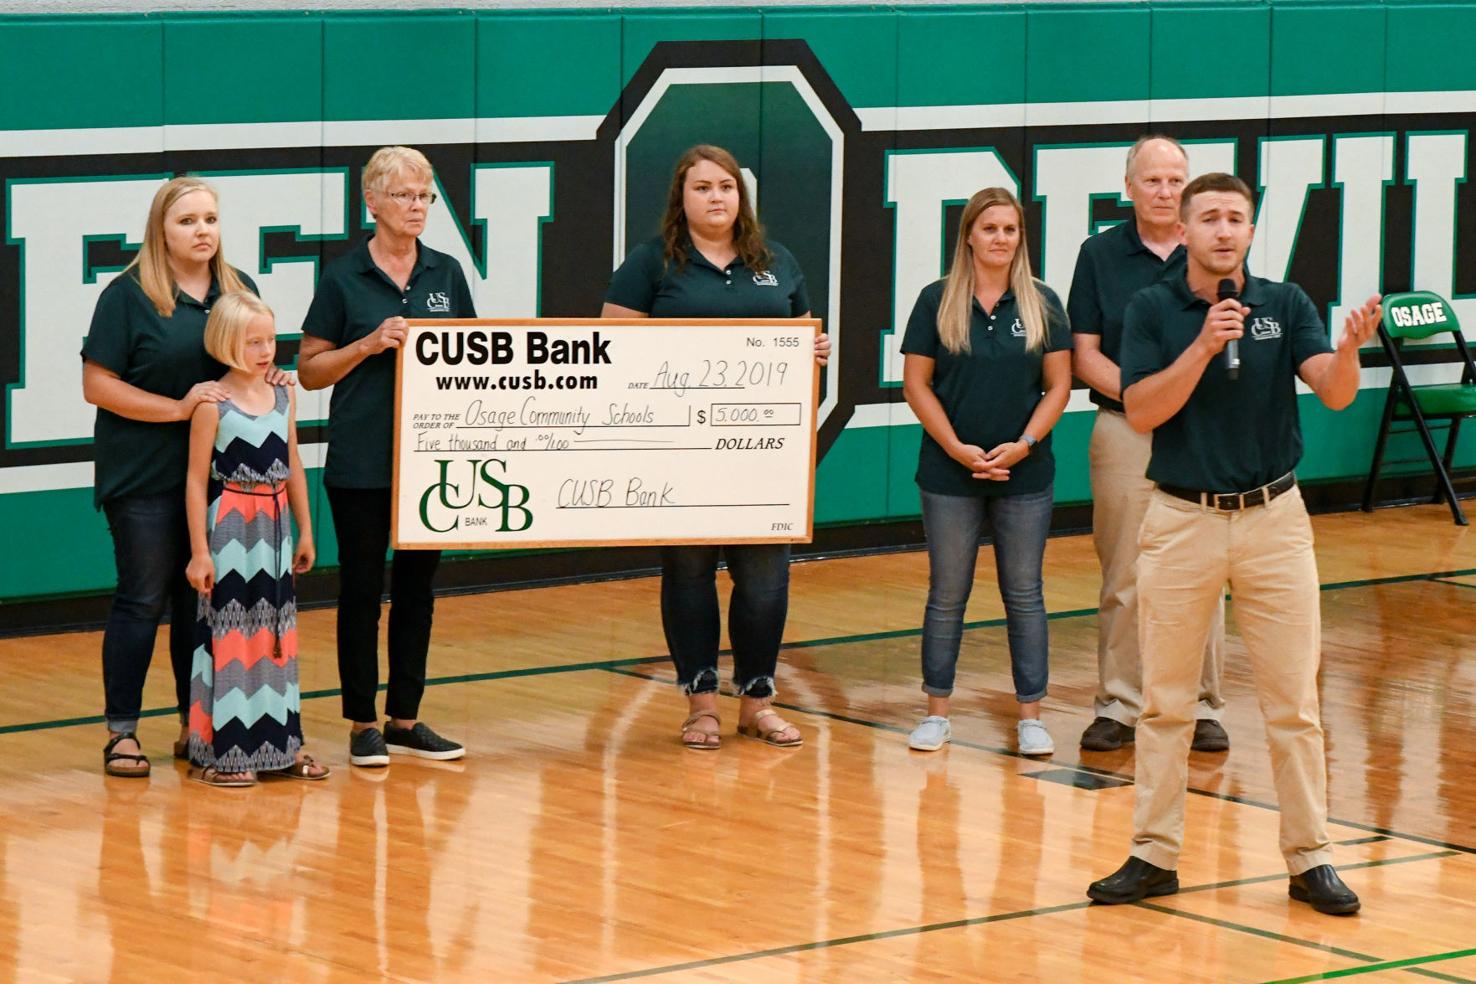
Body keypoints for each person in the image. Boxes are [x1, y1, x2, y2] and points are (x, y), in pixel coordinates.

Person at [1087, 173, 1380, 915]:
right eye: (1209, 218)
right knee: (1165, 705)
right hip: (1181, 519)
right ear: (1182, 230)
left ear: (1252, 231)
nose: (1224, 230)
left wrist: (1348, 351)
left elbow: (1335, 390)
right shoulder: (1152, 309)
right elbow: (1143, 409)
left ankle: (1310, 857)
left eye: (1237, 219)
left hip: (1274, 520)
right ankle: (1153, 854)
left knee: (1293, 704)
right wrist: (1203, 345)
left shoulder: (1285, 304)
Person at [601, 144, 830, 750]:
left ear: (741, 195)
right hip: (682, 454)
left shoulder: (776, 262)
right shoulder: (651, 264)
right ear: (682, 197)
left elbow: (806, 339)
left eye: (726, 186)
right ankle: (700, 703)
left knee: (764, 582)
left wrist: (813, 354)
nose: (716, 197)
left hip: (761, 457)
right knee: (689, 574)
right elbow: (613, 343)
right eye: (702, 187)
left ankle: (757, 700)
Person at [81, 176, 281, 778]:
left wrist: (276, 380)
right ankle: (122, 733)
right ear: (160, 230)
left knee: (200, 606)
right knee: (142, 599)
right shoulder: (128, 295)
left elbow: (255, 358)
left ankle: (194, 727)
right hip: (143, 473)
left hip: (221, 477)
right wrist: (177, 408)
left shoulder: (237, 289)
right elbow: (97, 384)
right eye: (187, 221)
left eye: (211, 219)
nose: (202, 231)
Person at [298, 146, 475, 768]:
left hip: (430, 463)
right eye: (403, 195)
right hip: (363, 458)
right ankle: (361, 722)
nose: (417, 206)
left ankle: (406, 717)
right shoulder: (344, 277)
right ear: (371, 201)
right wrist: (369, 344)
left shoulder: (447, 273)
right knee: (362, 590)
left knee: (419, 590)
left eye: (425, 195)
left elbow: (477, 358)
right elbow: (310, 371)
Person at [1068, 135, 1229, 754]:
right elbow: (1085, 355)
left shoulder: (1215, 249)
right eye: (1153, 180)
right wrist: (1145, 400)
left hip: (1203, 430)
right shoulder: (1100, 255)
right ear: (1128, 187)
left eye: (1175, 181)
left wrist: (1181, 400)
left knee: (1207, 570)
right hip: (1125, 429)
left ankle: (1202, 705)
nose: (1165, 192)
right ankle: (1120, 703)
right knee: (1126, 573)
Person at [899, 187, 1073, 757]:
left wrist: (1023, 445)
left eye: (1011, 230)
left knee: (1024, 593)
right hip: (950, 473)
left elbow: (1060, 385)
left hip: (1025, 474)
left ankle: (1031, 718)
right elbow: (916, 384)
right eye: (991, 228)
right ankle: (936, 712)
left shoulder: (1043, 302)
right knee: (947, 593)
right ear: (969, 235)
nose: (1002, 239)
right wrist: (955, 447)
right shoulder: (935, 301)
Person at [184, 292, 326, 786]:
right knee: (230, 635)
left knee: (275, 635)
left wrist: (307, 529)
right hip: (231, 530)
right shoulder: (212, 404)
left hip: (276, 524)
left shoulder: (283, 395)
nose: (266, 351)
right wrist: (200, 551)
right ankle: (224, 751)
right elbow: (196, 481)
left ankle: (280, 744)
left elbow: (295, 466)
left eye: (270, 340)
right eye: (253, 342)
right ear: (226, 343)